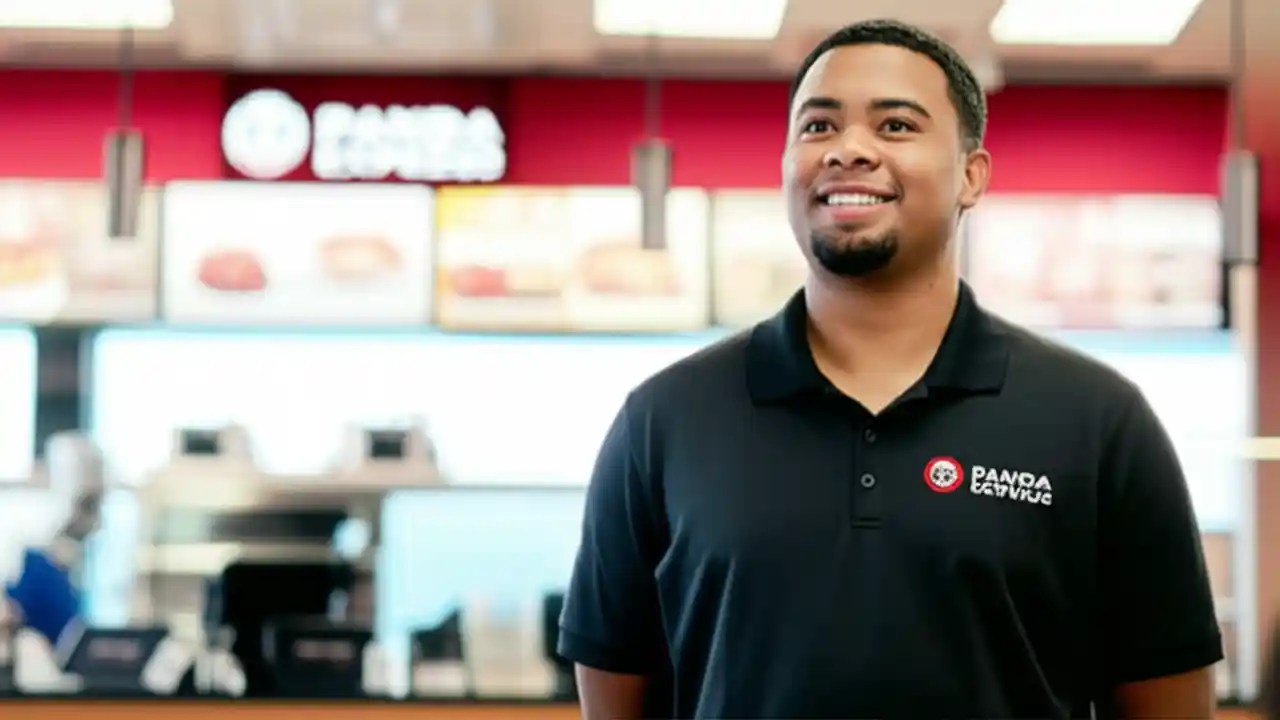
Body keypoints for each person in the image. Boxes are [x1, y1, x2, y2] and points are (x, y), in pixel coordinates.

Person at [557, 17, 1224, 720]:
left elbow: (1167, 699)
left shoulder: (1098, 422)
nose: (848, 151)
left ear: (972, 174)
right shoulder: (664, 421)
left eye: (897, 126)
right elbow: (614, 690)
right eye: (817, 128)